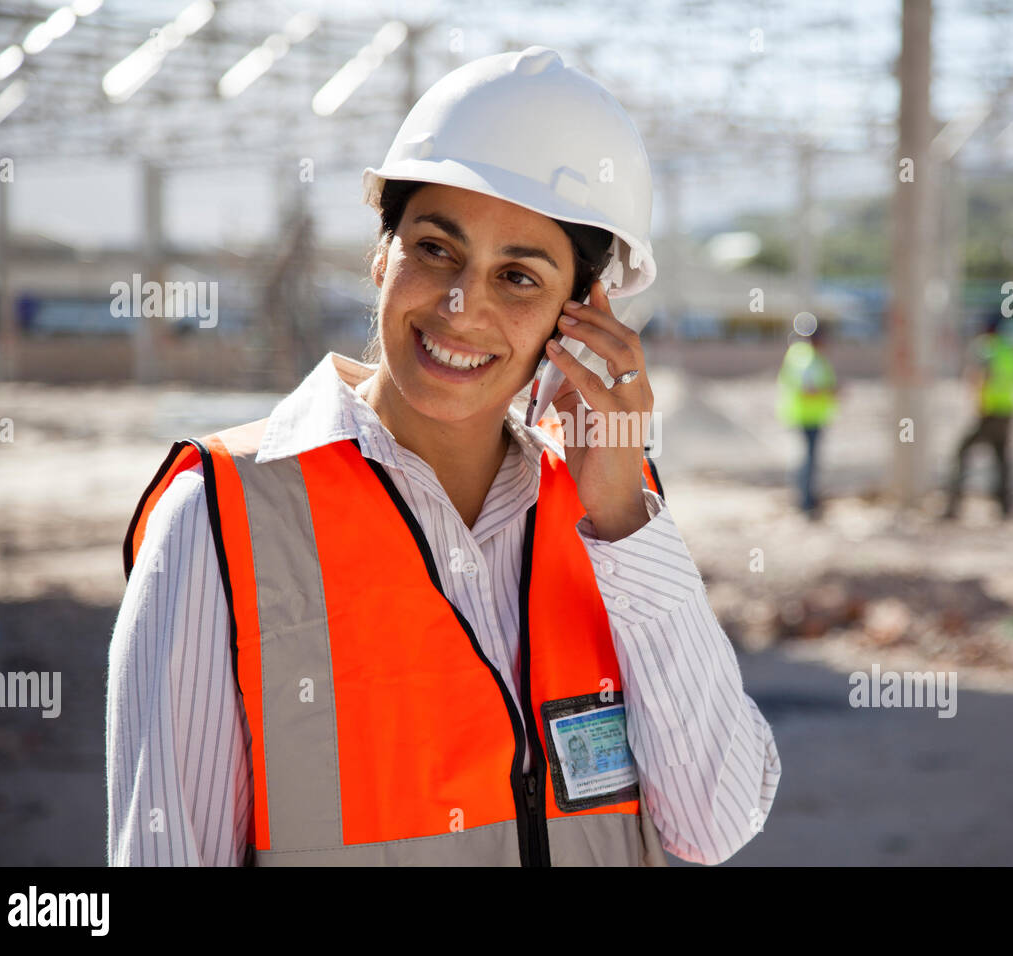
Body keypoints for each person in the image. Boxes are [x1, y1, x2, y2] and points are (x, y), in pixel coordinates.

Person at [106, 46, 779, 867]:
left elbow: (718, 821)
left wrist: (625, 519)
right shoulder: (222, 521)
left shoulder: (612, 519)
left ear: (582, 314)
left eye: (520, 277)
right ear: (381, 255)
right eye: (435, 249)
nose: (463, 307)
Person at [941, 313, 1013, 521]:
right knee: (1002, 459)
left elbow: (979, 376)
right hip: (1008, 412)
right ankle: (1005, 508)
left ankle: (954, 505)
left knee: (962, 453)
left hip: (989, 412)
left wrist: (978, 402)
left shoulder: (986, 348)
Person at [775, 321, 839, 517]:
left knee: (807, 458)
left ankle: (806, 497)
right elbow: (808, 390)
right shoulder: (806, 359)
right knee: (808, 459)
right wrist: (831, 391)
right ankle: (805, 500)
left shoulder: (805, 357)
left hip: (810, 415)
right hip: (806, 415)